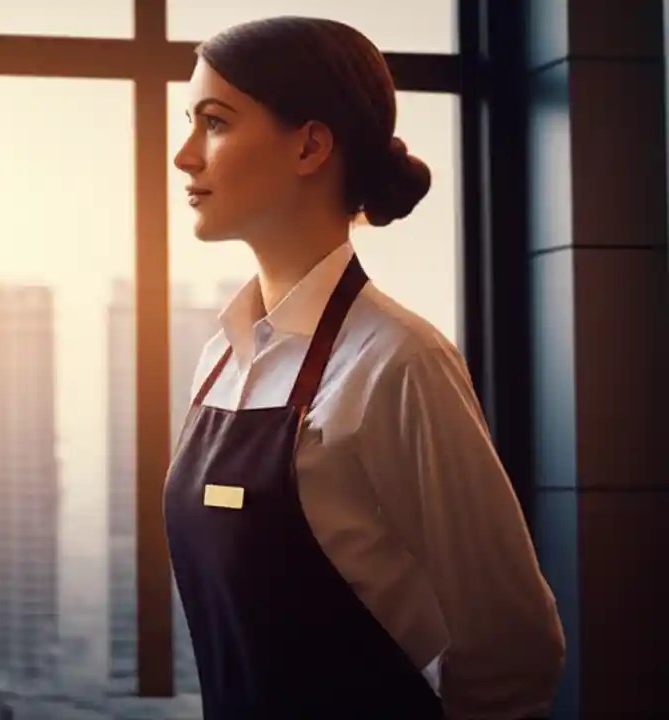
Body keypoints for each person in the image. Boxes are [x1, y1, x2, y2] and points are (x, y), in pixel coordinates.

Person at [163, 17, 565, 719]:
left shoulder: (400, 361)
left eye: (215, 122)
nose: (184, 156)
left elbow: (514, 651)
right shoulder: (221, 356)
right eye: (189, 124)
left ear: (310, 146)